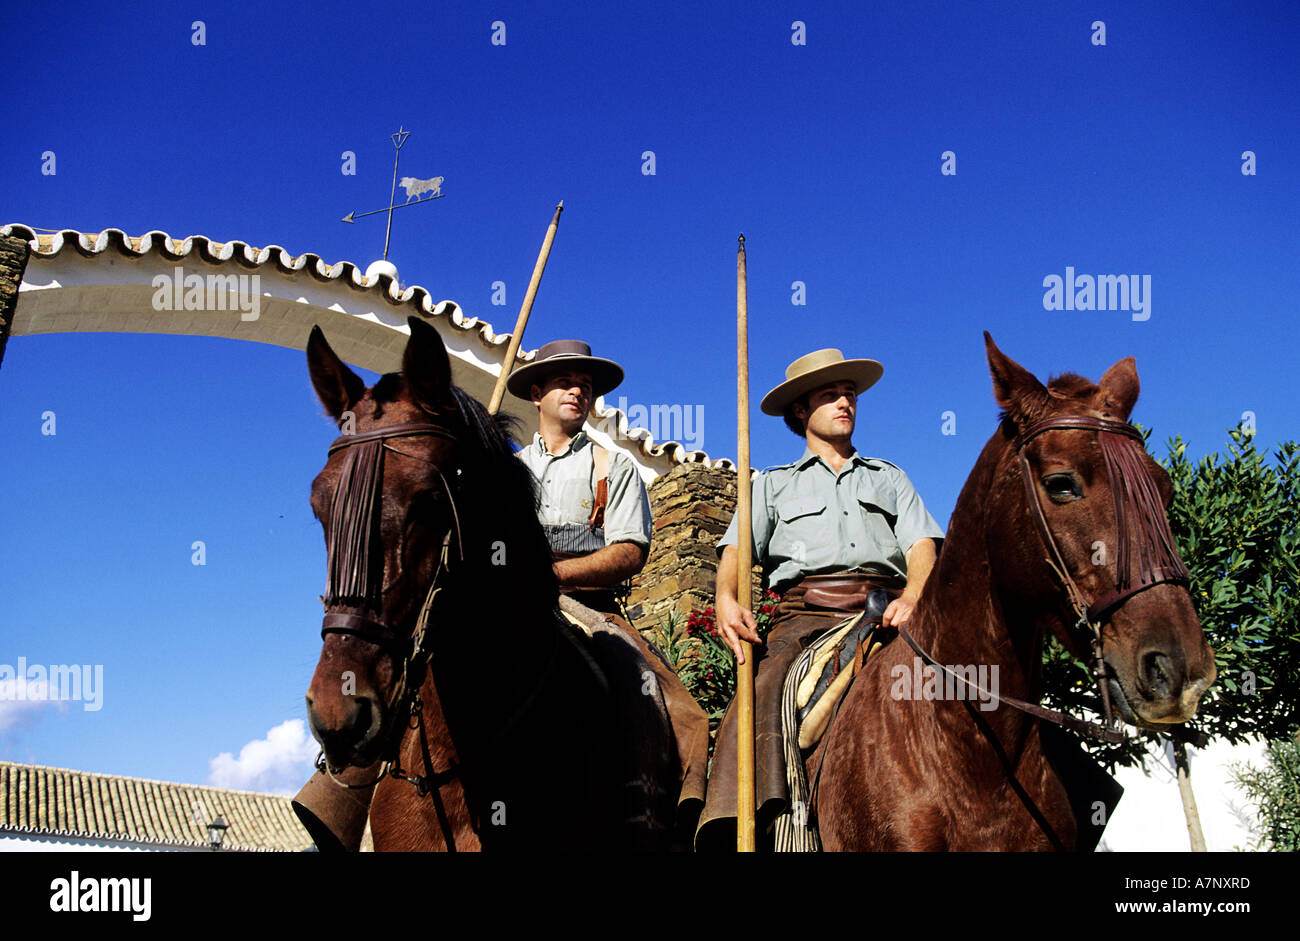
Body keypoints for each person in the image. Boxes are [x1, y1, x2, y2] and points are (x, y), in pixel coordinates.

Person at [695, 348, 945, 850]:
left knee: (982, 675)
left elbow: (923, 545)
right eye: (829, 395)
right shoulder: (770, 485)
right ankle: (741, 824)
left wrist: (916, 595)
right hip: (805, 614)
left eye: (849, 392)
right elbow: (736, 552)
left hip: (891, 608)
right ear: (800, 413)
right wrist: (725, 598)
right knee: (763, 692)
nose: (844, 401)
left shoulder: (888, 477)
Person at [507, 339, 710, 836]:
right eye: (565, 382)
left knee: (663, 697)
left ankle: (650, 816)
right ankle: (346, 793)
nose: (578, 391)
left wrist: (553, 575)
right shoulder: (504, 469)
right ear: (536, 393)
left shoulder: (611, 465)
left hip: (588, 607)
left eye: (586, 385)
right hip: (508, 601)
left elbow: (628, 552)